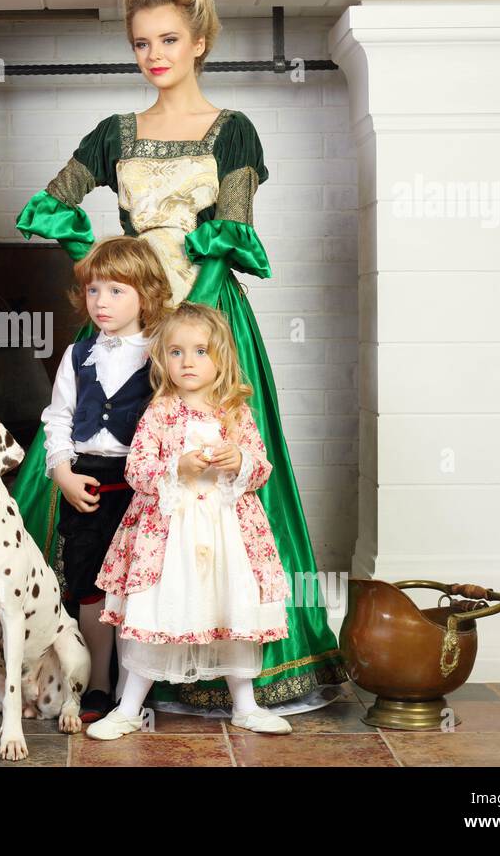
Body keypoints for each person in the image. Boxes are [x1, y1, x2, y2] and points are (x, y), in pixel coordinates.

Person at [10, 0, 346, 714]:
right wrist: (104, 275)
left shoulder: (234, 131)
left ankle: (212, 659)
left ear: (200, 42)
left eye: (168, 40)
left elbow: (230, 237)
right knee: (102, 462)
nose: (154, 54)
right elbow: (52, 205)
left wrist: (179, 323)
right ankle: (91, 663)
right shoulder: (112, 134)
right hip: (129, 314)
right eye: (140, 43)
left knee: (207, 476)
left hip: (203, 313)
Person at [87, 303, 291, 740]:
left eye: (200, 351)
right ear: (163, 360)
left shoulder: (235, 412)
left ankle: (246, 705)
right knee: (159, 608)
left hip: (225, 531)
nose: (188, 362)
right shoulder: (160, 412)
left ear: (220, 357)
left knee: (230, 603)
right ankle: (128, 708)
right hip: (169, 534)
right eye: (176, 352)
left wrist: (241, 460)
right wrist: (176, 469)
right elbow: (136, 470)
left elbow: (261, 468)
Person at [40, 236, 171, 722]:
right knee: (90, 583)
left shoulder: (161, 352)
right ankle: (97, 681)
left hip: (142, 486)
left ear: (147, 293)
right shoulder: (79, 356)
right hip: (88, 484)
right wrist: (62, 473)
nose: (101, 303)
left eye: (116, 291)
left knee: (135, 586)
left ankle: (135, 681)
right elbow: (58, 417)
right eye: (94, 291)